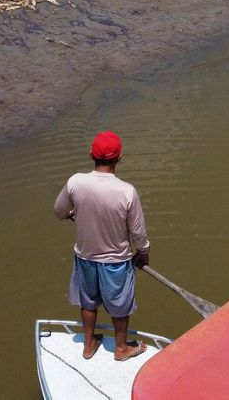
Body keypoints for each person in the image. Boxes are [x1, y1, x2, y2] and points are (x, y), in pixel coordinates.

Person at [53, 130, 151, 361]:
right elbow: (138, 232)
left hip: (85, 258)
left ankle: (88, 345)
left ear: (91, 155)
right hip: (116, 262)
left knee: (88, 302)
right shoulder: (126, 191)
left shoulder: (75, 182)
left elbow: (59, 211)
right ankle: (121, 348)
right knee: (120, 306)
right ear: (119, 158)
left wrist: (72, 213)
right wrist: (144, 252)